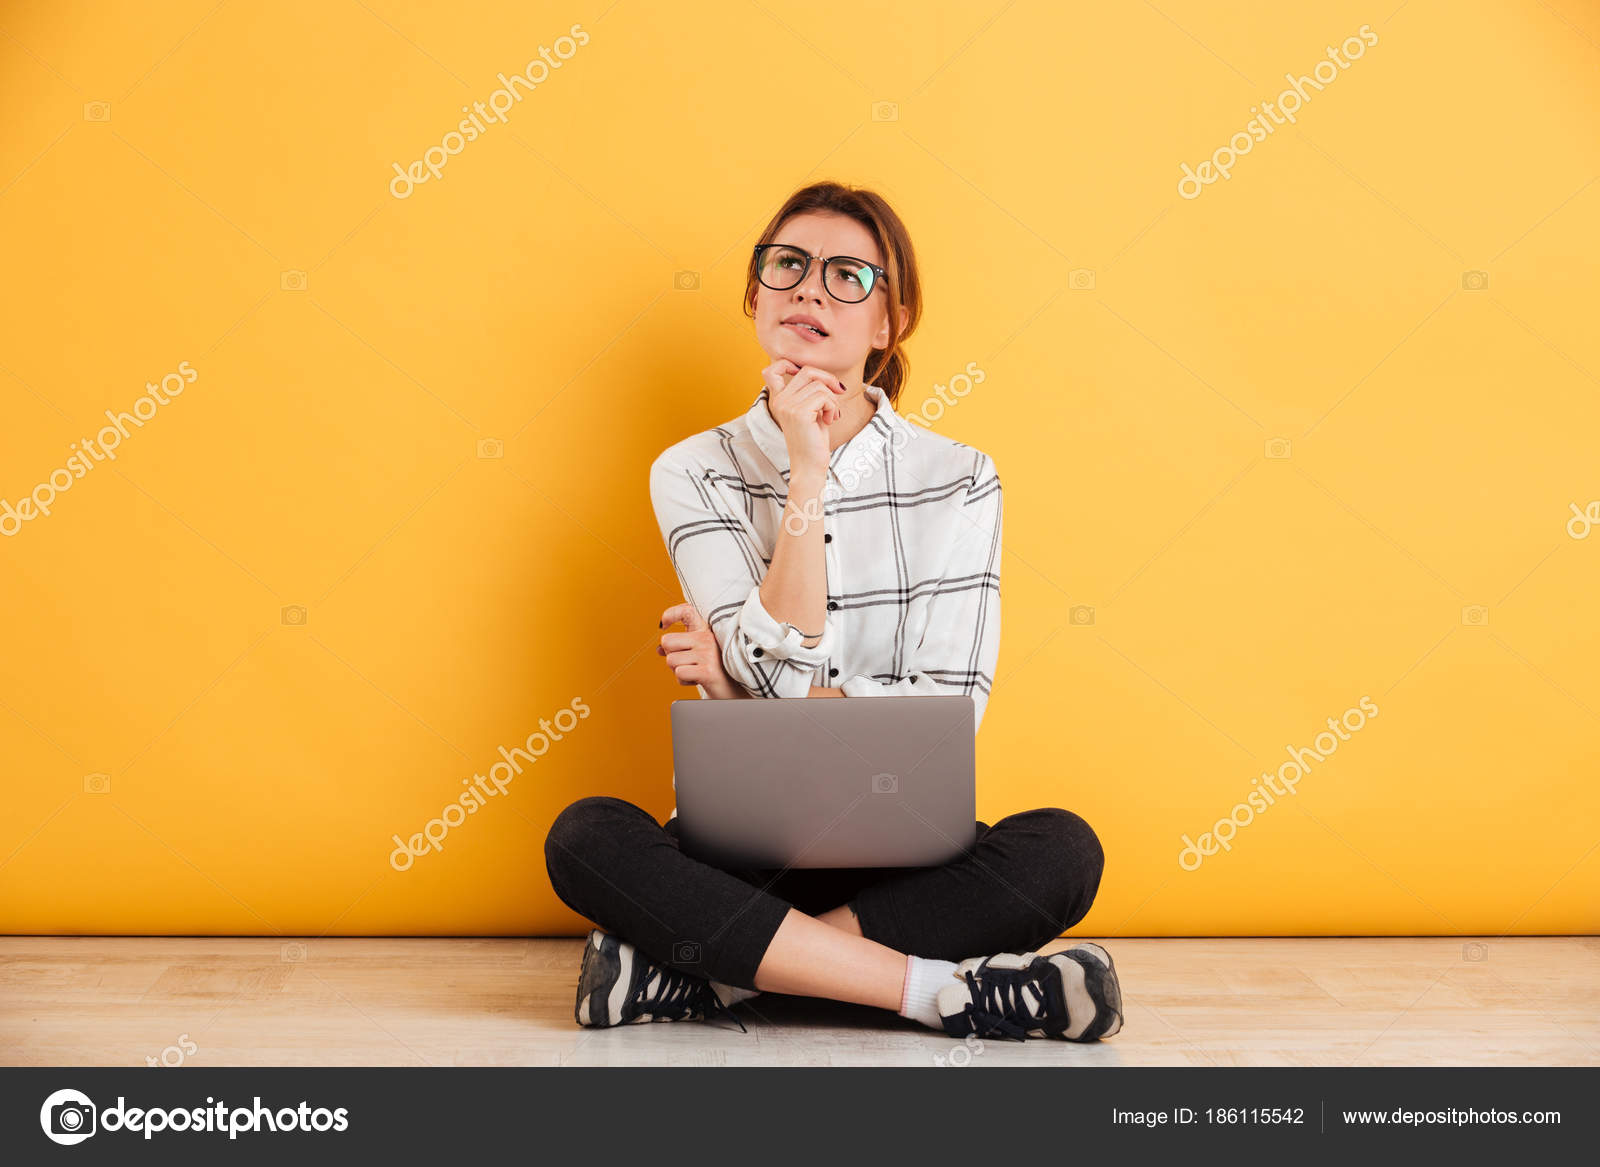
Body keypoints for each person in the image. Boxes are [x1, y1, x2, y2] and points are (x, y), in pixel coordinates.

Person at [543, 181, 1121, 1043]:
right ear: (754, 296)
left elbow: (948, 713)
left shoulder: (961, 477)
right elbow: (784, 670)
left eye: (848, 274)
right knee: (585, 835)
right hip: (742, 858)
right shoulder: (692, 470)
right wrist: (805, 471)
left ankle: (717, 982)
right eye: (787, 266)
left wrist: (740, 695)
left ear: (888, 321)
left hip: (904, 850)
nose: (810, 288)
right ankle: (940, 991)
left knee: (1063, 851)